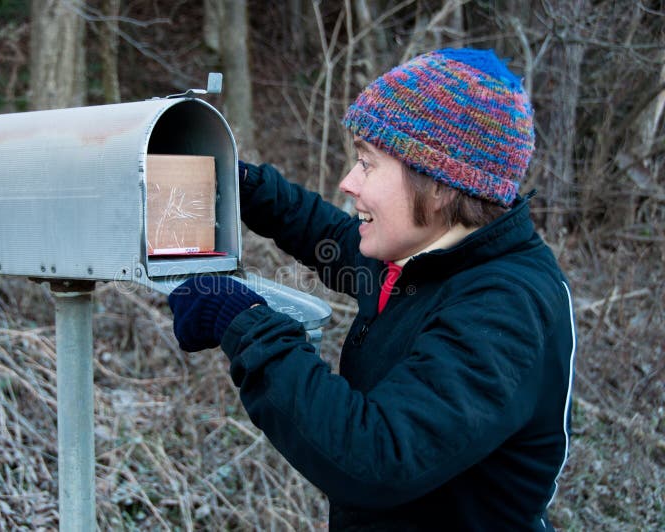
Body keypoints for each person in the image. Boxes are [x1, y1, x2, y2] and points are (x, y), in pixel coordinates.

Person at [167, 48, 576, 531]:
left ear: (439, 184)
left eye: (367, 163)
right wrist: (244, 187)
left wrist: (243, 322)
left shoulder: (507, 305)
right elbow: (336, 240)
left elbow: (377, 456)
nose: (348, 181)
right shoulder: (432, 256)